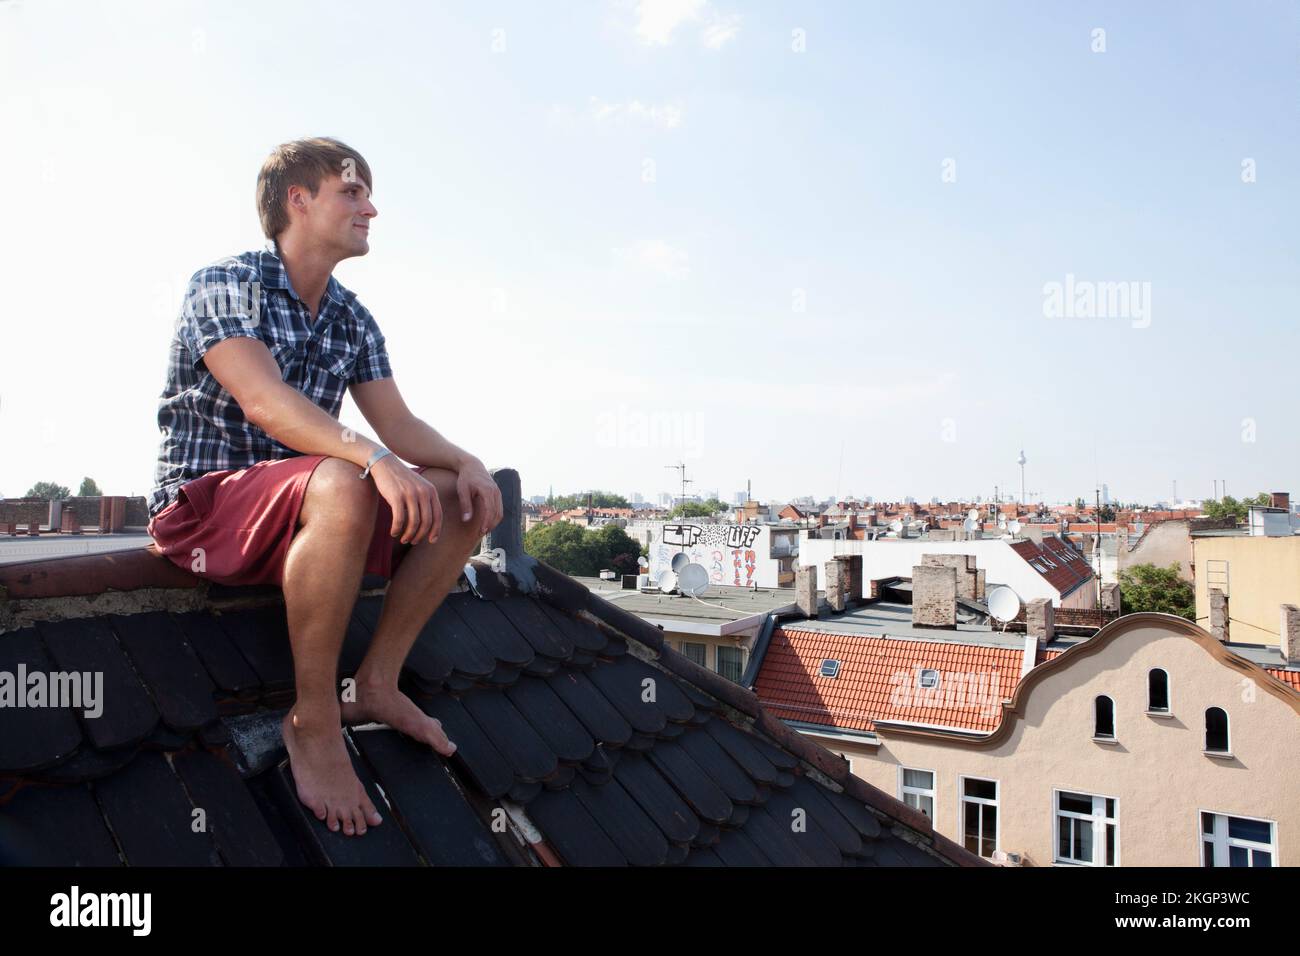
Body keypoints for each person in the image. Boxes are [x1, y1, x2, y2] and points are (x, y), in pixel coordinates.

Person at [147, 137, 503, 838]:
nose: (371, 207)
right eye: (353, 191)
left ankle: (376, 684)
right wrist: (371, 459)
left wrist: (469, 463)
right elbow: (261, 399)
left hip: (308, 510)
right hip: (207, 509)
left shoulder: (352, 316)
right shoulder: (225, 283)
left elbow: (397, 422)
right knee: (345, 481)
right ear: (297, 199)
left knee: (460, 498)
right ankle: (313, 721)